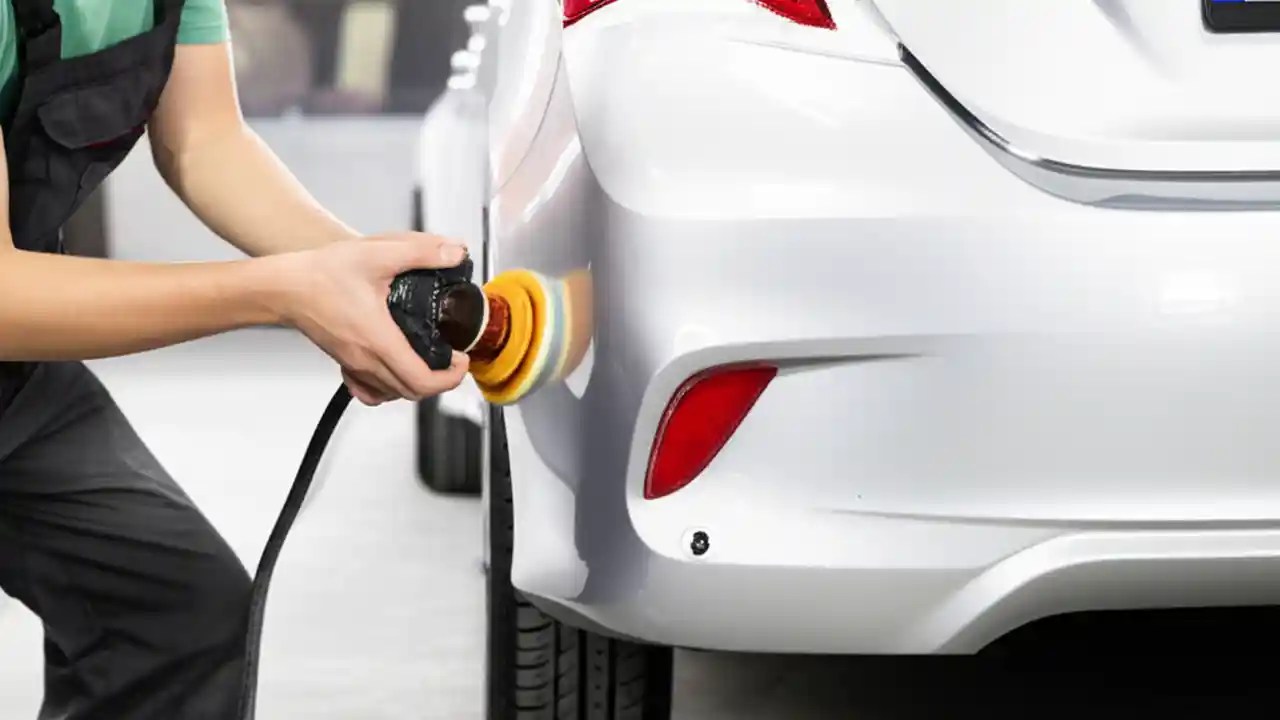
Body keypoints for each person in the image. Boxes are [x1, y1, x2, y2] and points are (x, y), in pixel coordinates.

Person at [0, 1, 470, 717]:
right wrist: (280, 294)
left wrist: (362, 278)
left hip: (15, 385)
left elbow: (206, 140)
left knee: (174, 617)